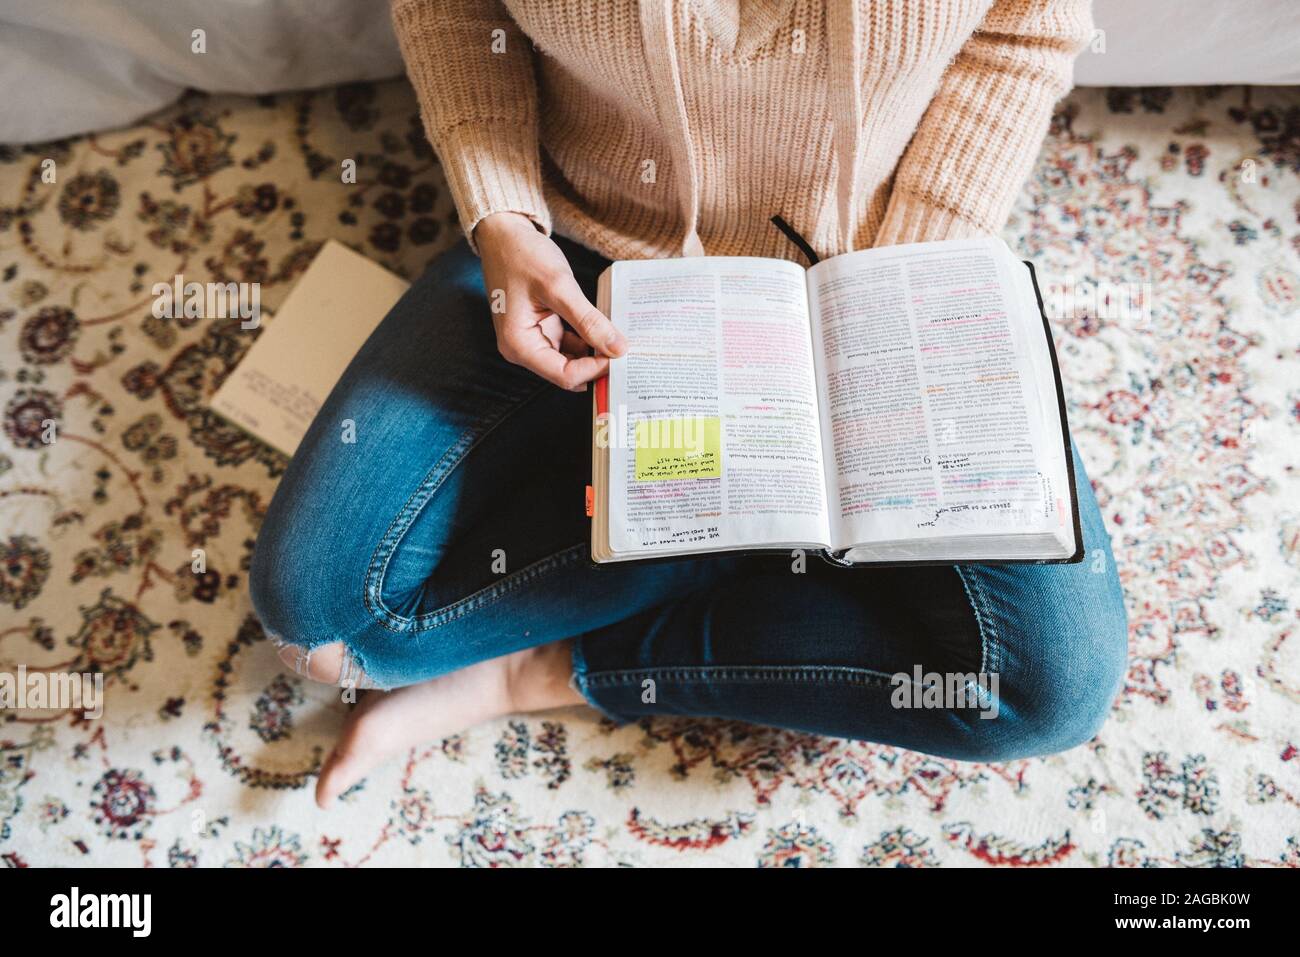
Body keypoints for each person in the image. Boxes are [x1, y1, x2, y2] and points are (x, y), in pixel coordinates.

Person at [250, 0, 1127, 809]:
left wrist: (912, 258)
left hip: (877, 263)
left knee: (1045, 688)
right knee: (327, 632)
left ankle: (553, 666)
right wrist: (505, 217)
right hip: (585, 254)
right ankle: (739, 539)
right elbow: (455, 10)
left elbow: (1027, 26)